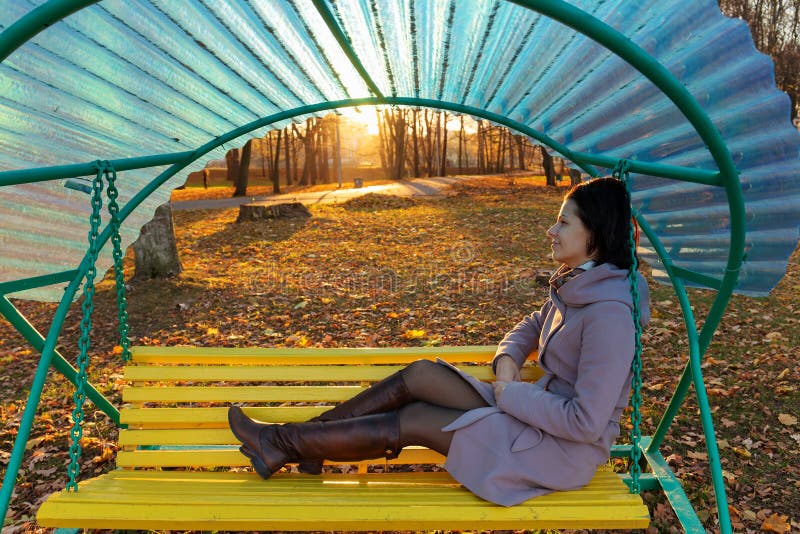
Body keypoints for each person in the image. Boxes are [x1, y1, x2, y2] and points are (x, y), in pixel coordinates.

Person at [228, 177, 650, 507]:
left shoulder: (610, 316)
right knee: (421, 374)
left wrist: (511, 393)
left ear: (594, 234)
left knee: (415, 420)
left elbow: (584, 422)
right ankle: (305, 445)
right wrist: (507, 361)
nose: (550, 230)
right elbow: (531, 326)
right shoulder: (580, 286)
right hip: (528, 411)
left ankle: (284, 442)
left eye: (563, 221)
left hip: (559, 451)